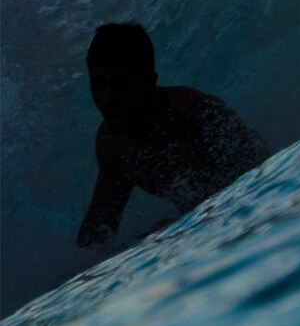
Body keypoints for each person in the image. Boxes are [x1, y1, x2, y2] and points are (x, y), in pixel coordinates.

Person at [77, 22, 269, 248]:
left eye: (121, 84)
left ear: (149, 82)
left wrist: (178, 229)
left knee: (161, 230)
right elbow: (97, 231)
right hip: (211, 220)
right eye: (99, 84)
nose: (108, 98)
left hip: (259, 203)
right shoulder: (113, 144)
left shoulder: (195, 113)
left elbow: (254, 183)